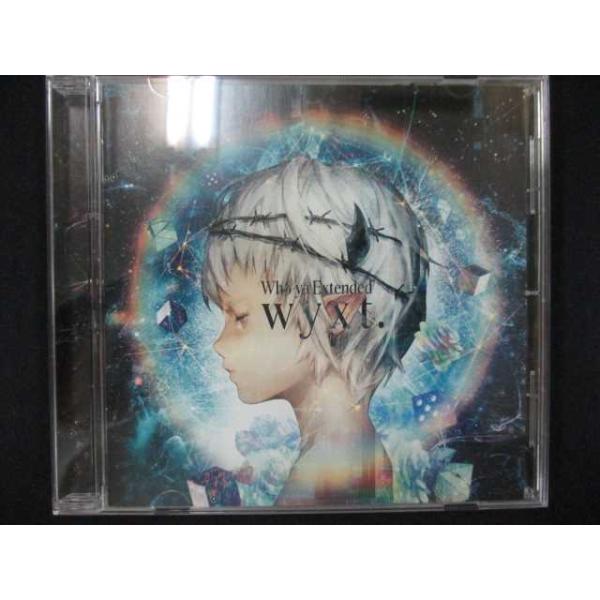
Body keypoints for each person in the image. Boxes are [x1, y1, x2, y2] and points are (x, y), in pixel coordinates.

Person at [199, 155, 428, 506]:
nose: (219, 343)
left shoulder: (324, 479)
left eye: (241, 317)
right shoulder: (353, 450)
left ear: (336, 312)